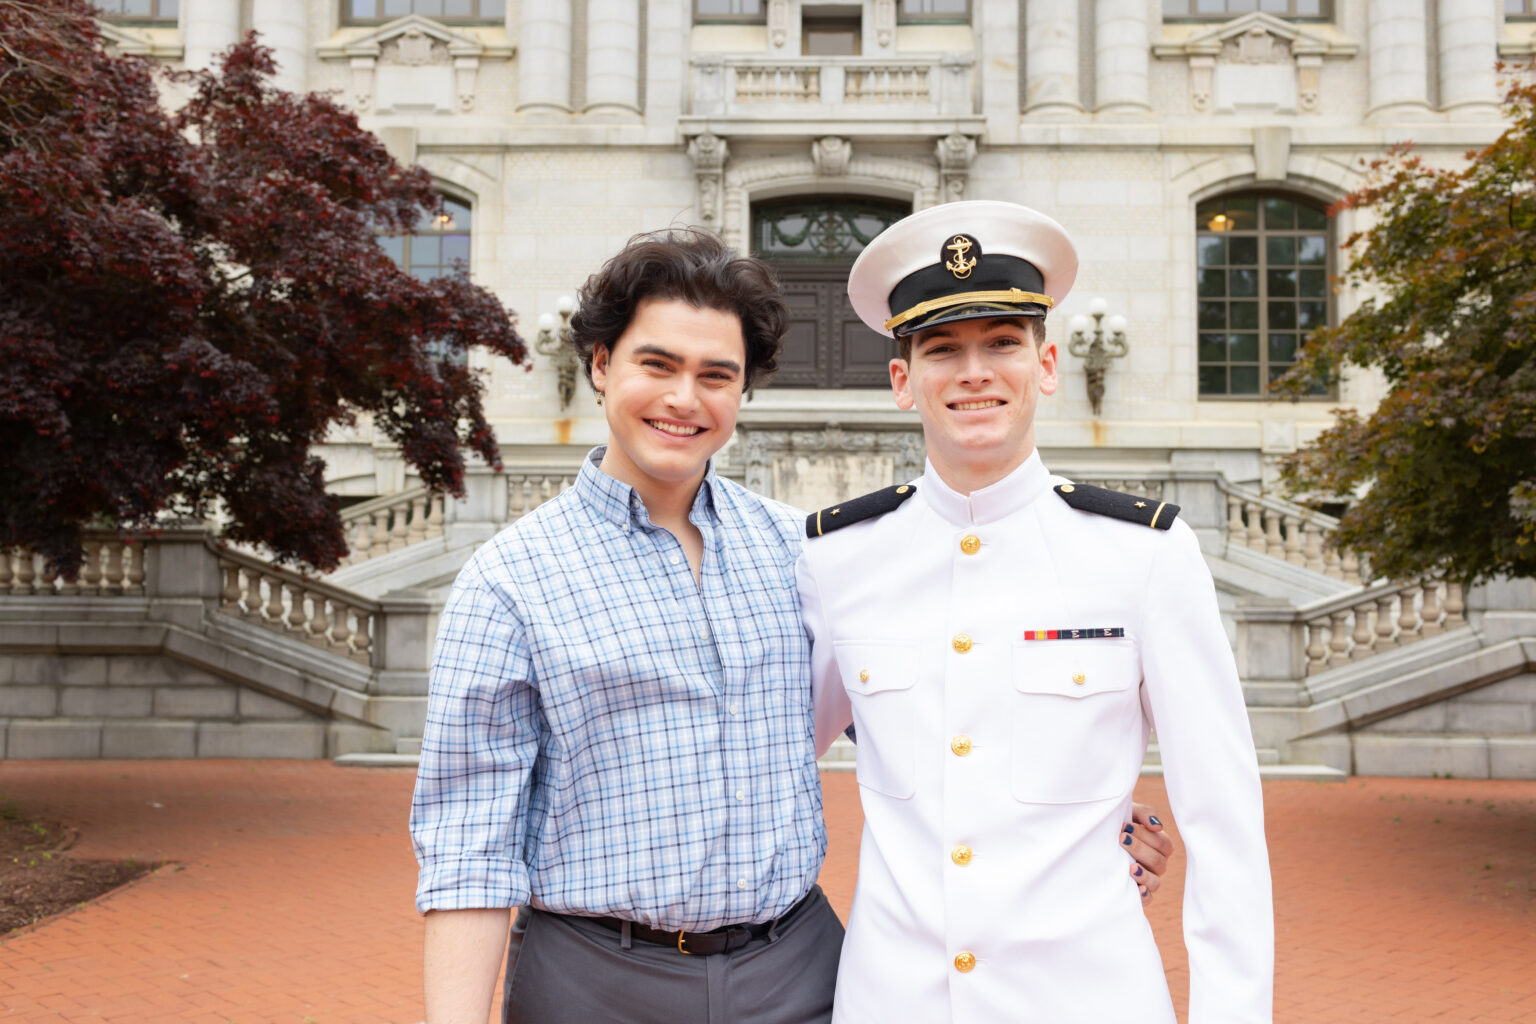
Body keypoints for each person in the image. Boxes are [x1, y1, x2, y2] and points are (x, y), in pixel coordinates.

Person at [409, 229, 1176, 1024]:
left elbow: (928, 725)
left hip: (797, 976)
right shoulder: (508, 583)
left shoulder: (808, 555)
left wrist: (1084, 824)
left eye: (716, 375)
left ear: (742, 393)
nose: (685, 400)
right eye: (657, 365)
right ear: (602, 366)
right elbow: (468, 851)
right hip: (597, 979)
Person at [798, 201, 1273, 1023]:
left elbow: (1224, 818)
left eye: (1003, 345)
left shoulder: (1144, 555)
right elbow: (771, 758)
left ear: (1047, 365)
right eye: (942, 350)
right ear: (903, 381)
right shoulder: (839, 560)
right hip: (895, 1002)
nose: (975, 371)